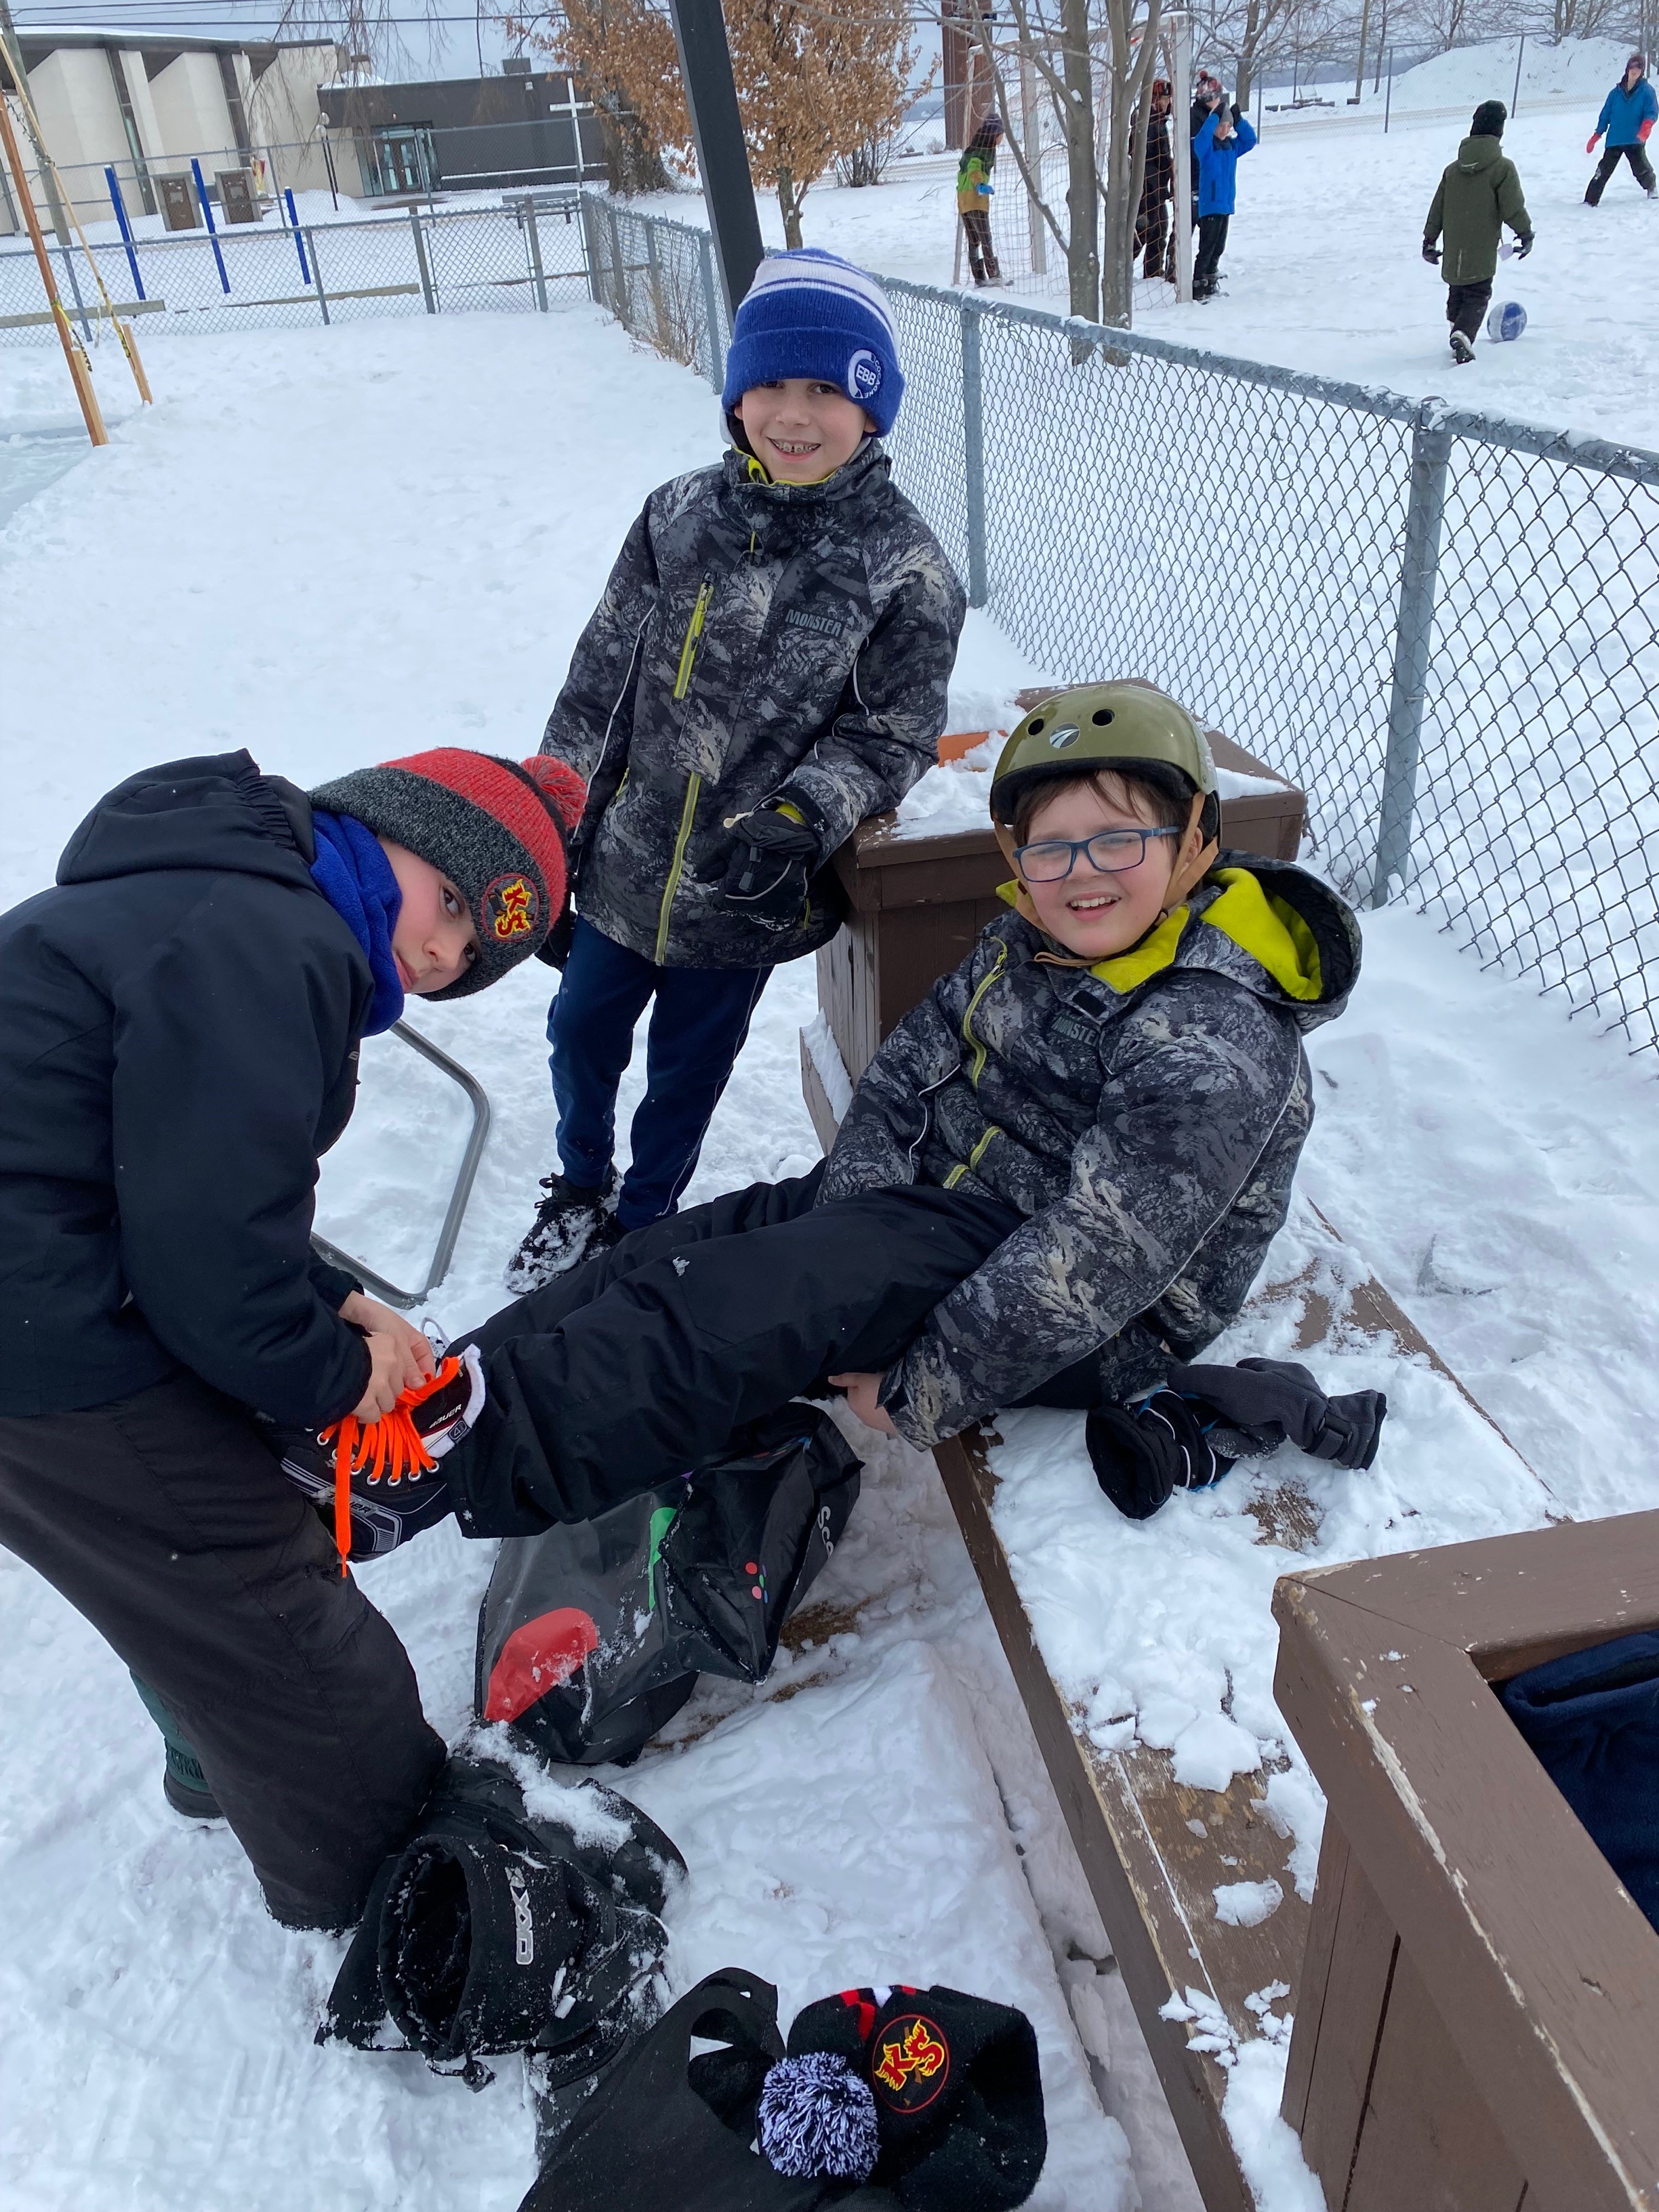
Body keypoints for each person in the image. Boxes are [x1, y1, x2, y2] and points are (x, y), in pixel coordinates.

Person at [310, 684, 1357, 1542]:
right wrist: (845, 1214)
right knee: (677, 1252)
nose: (1080, 875)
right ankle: (430, 1392)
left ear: (1195, 846)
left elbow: (1102, 1259)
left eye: (1118, 841)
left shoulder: (1211, 1036)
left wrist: (924, 1388)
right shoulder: (1028, 940)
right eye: (1051, 848)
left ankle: (447, 1467)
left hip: (1091, 1310)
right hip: (944, 1209)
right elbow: (911, 1065)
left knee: (730, 1309)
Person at [0, 744, 584, 1933]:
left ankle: (207, 1758)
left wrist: (331, 1296)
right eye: (454, 905)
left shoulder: (210, 892)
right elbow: (208, 1263)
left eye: (474, 957)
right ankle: (395, 1891)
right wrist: (333, 1373)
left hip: (40, 1278)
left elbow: (160, 1177)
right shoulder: (277, 940)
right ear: (394, 825)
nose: (438, 955)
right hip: (42, 1329)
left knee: (162, 1556)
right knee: (262, 1594)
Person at [506, 249, 966, 1293]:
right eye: (769, 385)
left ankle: (642, 1214)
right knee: (579, 1028)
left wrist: (808, 813)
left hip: (743, 888)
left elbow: (892, 734)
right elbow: (599, 685)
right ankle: (579, 1184)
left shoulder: (906, 568)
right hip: (624, 863)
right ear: (736, 394)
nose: (793, 415)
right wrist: (553, 829)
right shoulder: (675, 516)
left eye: (824, 391)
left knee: (686, 1070)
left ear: (872, 407)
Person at [1423, 100, 1533, 366]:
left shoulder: (1452, 170)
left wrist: (1429, 239)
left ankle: (1456, 329)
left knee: (1458, 289)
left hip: (1454, 246)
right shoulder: (1502, 168)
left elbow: (1437, 206)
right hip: (1481, 246)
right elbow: (1512, 206)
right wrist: (1525, 233)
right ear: (1500, 130)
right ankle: (1463, 334)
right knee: (1478, 292)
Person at [1193, 89, 1258, 301]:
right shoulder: (1207, 148)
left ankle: (1211, 283)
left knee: (1218, 248)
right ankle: (1198, 286)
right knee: (1207, 247)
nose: (1225, 129)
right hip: (1210, 204)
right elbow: (1201, 139)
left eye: (1228, 127)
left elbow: (1250, 140)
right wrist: (1215, 116)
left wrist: (1238, 120)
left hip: (1225, 205)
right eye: (1222, 125)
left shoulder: (1231, 146)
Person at [1584, 51, 1657, 205]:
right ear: (1627, 69)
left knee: (1641, 169)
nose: (1635, 70)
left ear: (1642, 71)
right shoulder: (1615, 93)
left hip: (1634, 139)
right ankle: (1590, 201)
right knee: (1602, 172)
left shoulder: (1647, 91)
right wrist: (1597, 135)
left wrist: (1646, 127)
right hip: (1615, 139)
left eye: (1639, 67)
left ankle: (1652, 188)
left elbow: (1651, 111)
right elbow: (1606, 115)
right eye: (1633, 67)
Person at [958, 111, 1004, 287]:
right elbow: (974, 168)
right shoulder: (982, 152)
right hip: (976, 199)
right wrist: (980, 185)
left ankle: (978, 277)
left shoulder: (971, 149)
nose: (1002, 138)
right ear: (994, 134)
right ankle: (994, 275)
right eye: (1001, 134)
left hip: (963, 201)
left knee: (973, 241)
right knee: (985, 237)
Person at [1135, 78, 1175, 281]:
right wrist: (1166, 169)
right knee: (1143, 230)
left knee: (1160, 231)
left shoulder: (1158, 121)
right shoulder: (1145, 122)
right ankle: (1117, 269)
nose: (1168, 103)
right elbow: (1146, 159)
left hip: (1156, 188)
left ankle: (1153, 274)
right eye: (1165, 98)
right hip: (1146, 190)